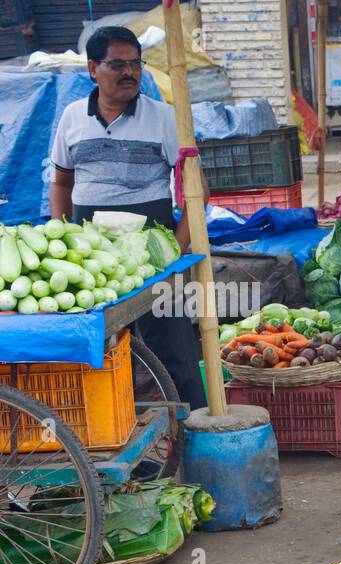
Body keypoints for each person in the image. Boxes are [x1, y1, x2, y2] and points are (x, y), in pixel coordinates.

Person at [49, 26, 206, 410]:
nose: (129, 73)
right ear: (92, 69)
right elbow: (61, 183)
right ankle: (116, 433)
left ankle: (194, 433)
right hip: (92, 255)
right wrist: (62, 237)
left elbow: (198, 189)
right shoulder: (72, 118)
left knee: (174, 350)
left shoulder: (165, 118)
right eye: (117, 64)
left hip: (153, 248)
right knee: (103, 352)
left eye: (135, 64)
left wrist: (176, 249)